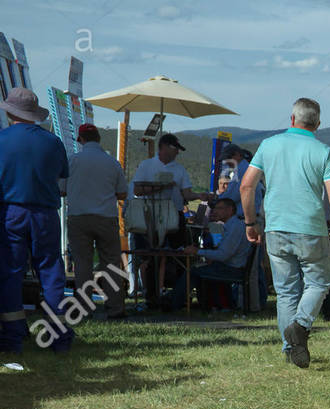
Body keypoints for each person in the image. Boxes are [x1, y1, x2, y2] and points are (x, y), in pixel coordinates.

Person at [240, 97, 330, 368]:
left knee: (286, 291)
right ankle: (300, 326)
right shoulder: (323, 151)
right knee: (319, 283)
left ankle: (290, 348)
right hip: (310, 228)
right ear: (318, 124)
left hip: (276, 226)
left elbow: (246, 186)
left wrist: (250, 223)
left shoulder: (268, 145)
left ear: (292, 119)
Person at [0, 88, 71, 353]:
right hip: (45, 214)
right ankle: (58, 337)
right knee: (51, 273)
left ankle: (12, 338)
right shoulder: (52, 142)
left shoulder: (2, 140)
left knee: (10, 273)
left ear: (9, 112)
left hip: (10, 213)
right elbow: (62, 175)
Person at [132, 132, 214, 310]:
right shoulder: (147, 165)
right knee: (152, 257)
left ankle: (178, 296)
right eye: (175, 149)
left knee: (180, 255)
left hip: (174, 216)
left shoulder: (179, 169)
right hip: (151, 216)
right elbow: (137, 190)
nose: (177, 153)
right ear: (164, 148)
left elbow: (187, 193)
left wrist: (199, 196)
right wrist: (160, 187)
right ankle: (152, 297)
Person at [64, 122, 129, 321]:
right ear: (99, 139)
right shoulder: (111, 162)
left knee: (82, 264)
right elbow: (122, 193)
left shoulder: (72, 160)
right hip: (106, 217)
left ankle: (84, 308)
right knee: (111, 264)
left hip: (78, 217)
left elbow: (61, 189)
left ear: (80, 139)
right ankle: (115, 308)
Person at [182, 197, 252, 308]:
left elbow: (223, 255)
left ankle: (173, 302)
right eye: (215, 208)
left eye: (219, 208)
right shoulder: (230, 225)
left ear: (230, 210)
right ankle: (205, 303)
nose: (215, 211)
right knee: (198, 268)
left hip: (233, 269)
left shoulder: (235, 227)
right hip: (230, 266)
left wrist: (197, 251)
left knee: (193, 271)